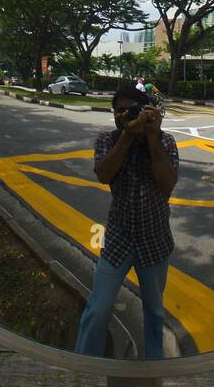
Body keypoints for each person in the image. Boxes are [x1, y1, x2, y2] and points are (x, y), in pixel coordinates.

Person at [74, 85, 179, 359]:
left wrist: (152, 138)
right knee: (97, 308)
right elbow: (103, 175)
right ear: (113, 114)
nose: (125, 115)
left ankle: (154, 369)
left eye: (132, 109)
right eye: (119, 110)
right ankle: (84, 369)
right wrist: (127, 138)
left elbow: (167, 185)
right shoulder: (108, 140)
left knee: (154, 312)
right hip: (119, 237)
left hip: (154, 240)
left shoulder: (165, 141)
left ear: (146, 111)